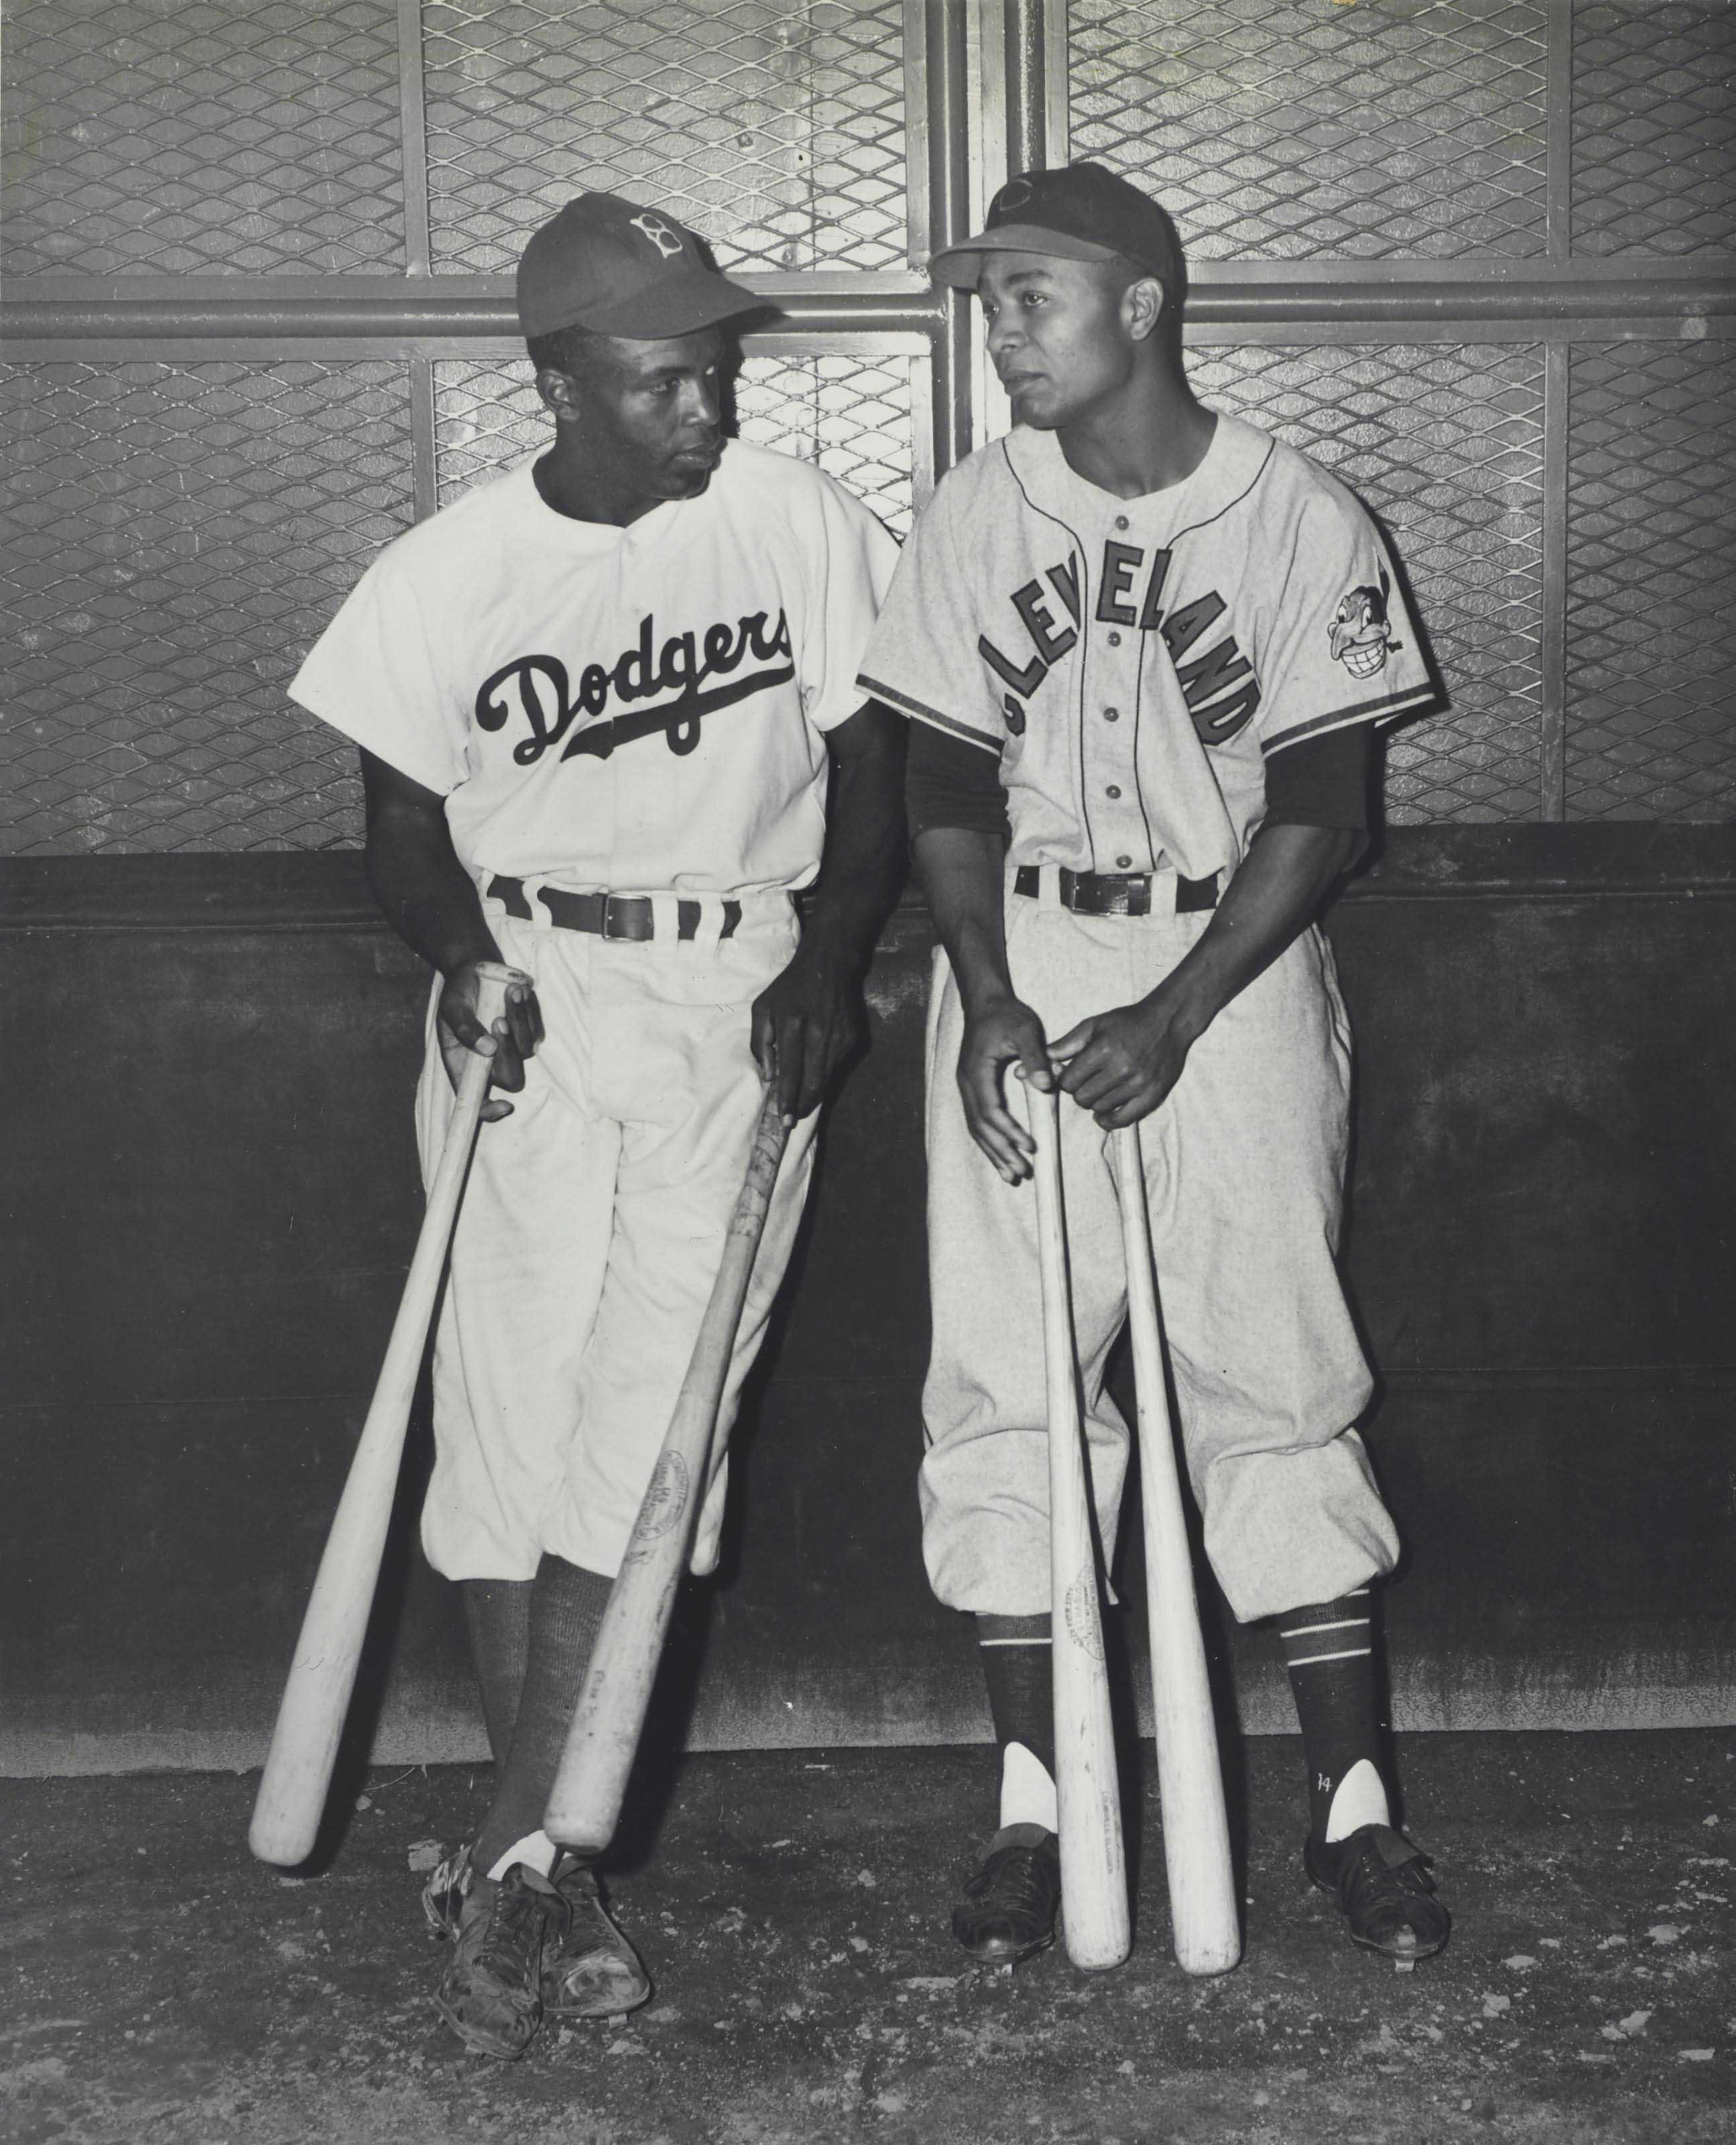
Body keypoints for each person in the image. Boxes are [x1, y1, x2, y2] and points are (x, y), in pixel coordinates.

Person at [290, 190, 904, 2057]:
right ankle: (538, 1853)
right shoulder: (445, 575)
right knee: (511, 1424)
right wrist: (464, 960)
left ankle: (518, 1856)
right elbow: (401, 838)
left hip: (737, 995)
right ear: (556, 380)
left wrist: (832, 966)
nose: (705, 404)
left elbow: (882, 765)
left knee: (653, 1441)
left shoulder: (796, 522)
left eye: (713, 367)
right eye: (662, 377)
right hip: (534, 1002)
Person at [855, 162, 1450, 1969]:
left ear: (1145, 302)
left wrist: (1178, 1014)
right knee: (1012, 1380)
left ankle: (1357, 1819)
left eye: (1033, 289)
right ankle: (1036, 1812)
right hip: (1027, 949)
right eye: (988, 296)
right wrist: (986, 994)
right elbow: (941, 782)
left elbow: (1329, 813)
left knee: (1273, 1369)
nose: (1002, 324)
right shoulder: (975, 508)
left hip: (1234, 963)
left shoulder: (1300, 516)